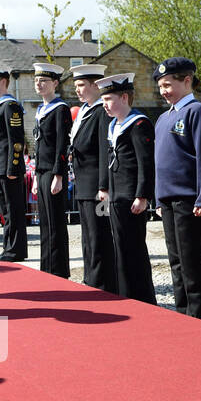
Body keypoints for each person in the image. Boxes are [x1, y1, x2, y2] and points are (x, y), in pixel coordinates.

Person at [153, 58, 201, 321]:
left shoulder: (197, 112)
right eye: (160, 86)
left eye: (168, 84)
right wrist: (158, 197)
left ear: (187, 81)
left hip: (189, 199)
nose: (164, 91)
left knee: (192, 260)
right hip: (168, 199)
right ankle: (182, 312)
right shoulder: (162, 119)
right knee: (176, 260)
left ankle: (199, 316)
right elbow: (160, 161)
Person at [95, 73, 157, 304]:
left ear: (124, 97)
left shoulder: (139, 123)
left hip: (131, 196)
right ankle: (126, 293)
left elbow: (145, 162)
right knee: (119, 247)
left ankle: (141, 296)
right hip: (116, 195)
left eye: (109, 99)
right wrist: (105, 188)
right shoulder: (114, 125)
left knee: (133, 249)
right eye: (103, 100)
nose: (105, 105)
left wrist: (143, 195)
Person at [68, 64, 115, 292]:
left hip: (97, 186)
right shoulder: (85, 111)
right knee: (88, 236)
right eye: (76, 85)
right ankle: (91, 277)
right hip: (83, 185)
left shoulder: (100, 113)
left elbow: (104, 153)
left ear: (95, 85)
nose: (77, 90)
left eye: (81, 85)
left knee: (99, 236)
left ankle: (101, 280)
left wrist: (104, 185)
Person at [31, 62, 73, 278]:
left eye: (44, 80)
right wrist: (37, 176)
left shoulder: (60, 108)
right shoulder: (41, 109)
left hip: (54, 171)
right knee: (45, 223)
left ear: (55, 83)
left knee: (56, 222)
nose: (39, 84)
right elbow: (38, 146)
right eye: (37, 80)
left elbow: (60, 145)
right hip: (42, 171)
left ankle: (58, 270)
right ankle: (46, 267)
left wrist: (58, 174)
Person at [0, 66, 29, 262]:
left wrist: (13, 167)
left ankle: (16, 250)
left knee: (14, 210)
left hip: (9, 168)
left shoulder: (10, 106)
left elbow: (16, 140)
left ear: (3, 81)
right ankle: (8, 247)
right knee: (5, 211)